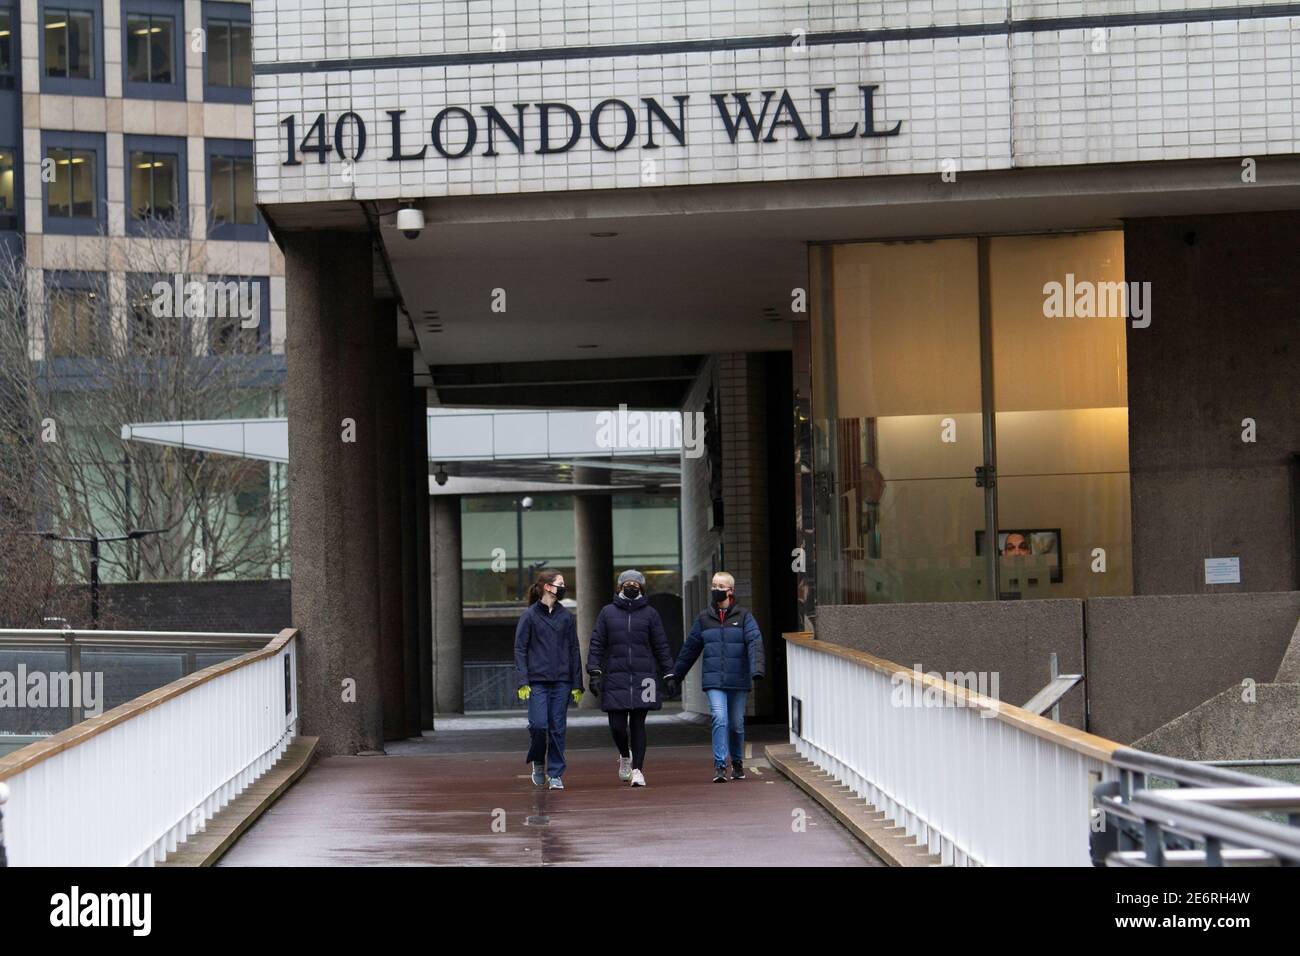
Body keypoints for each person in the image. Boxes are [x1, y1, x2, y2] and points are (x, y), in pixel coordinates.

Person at [672, 571, 765, 782]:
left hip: (738, 679)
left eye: (720, 586)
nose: (716, 589)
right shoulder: (704, 618)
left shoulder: (744, 617)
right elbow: (690, 648)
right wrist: (675, 675)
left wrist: (756, 669)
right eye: (714, 585)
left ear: (730, 591)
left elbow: (755, 642)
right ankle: (720, 765)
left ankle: (738, 762)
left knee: (736, 723)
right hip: (714, 679)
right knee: (719, 718)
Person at [587, 569, 676, 787]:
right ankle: (624, 756)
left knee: (638, 724)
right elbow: (597, 644)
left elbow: (661, 645)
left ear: (641, 588)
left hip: (644, 677)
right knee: (617, 726)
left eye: (635, 584)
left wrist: (669, 674)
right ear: (619, 587)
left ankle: (638, 770)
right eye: (626, 583)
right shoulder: (607, 613)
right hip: (615, 676)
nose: (631, 586)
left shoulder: (650, 614)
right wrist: (594, 672)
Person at [514, 569, 584, 790]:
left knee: (557, 728)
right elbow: (520, 649)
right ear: (547, 587)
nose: (563, 587)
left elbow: (574, 649)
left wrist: (577, 683)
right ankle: (537, 761)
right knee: (538, 725)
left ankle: (555, 773)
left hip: (562, 681)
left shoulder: (566, 617)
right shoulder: (529, 616)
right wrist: (522, 680)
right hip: (536, 681)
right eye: (560, 583)